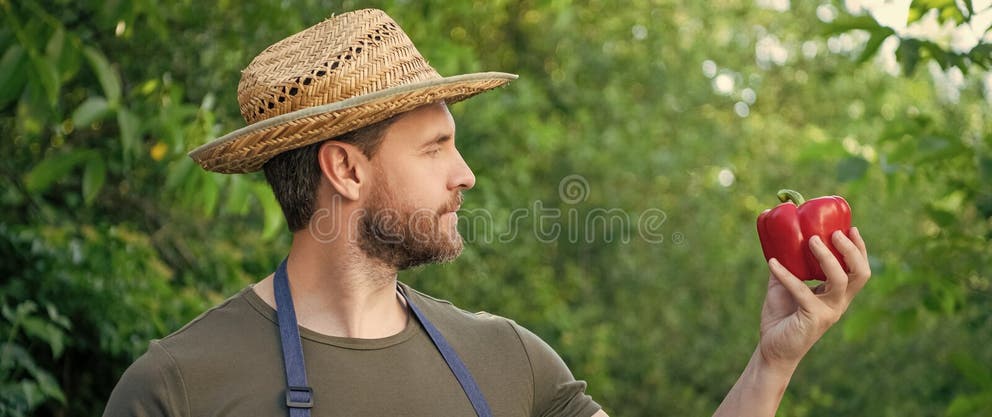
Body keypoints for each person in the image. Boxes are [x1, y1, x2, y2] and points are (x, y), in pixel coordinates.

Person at [103, 8, 872, 417]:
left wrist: (774, 360)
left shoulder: (509, 362)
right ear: (344, 166)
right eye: (436, 147)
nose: (466, 175)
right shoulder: (177, 389)